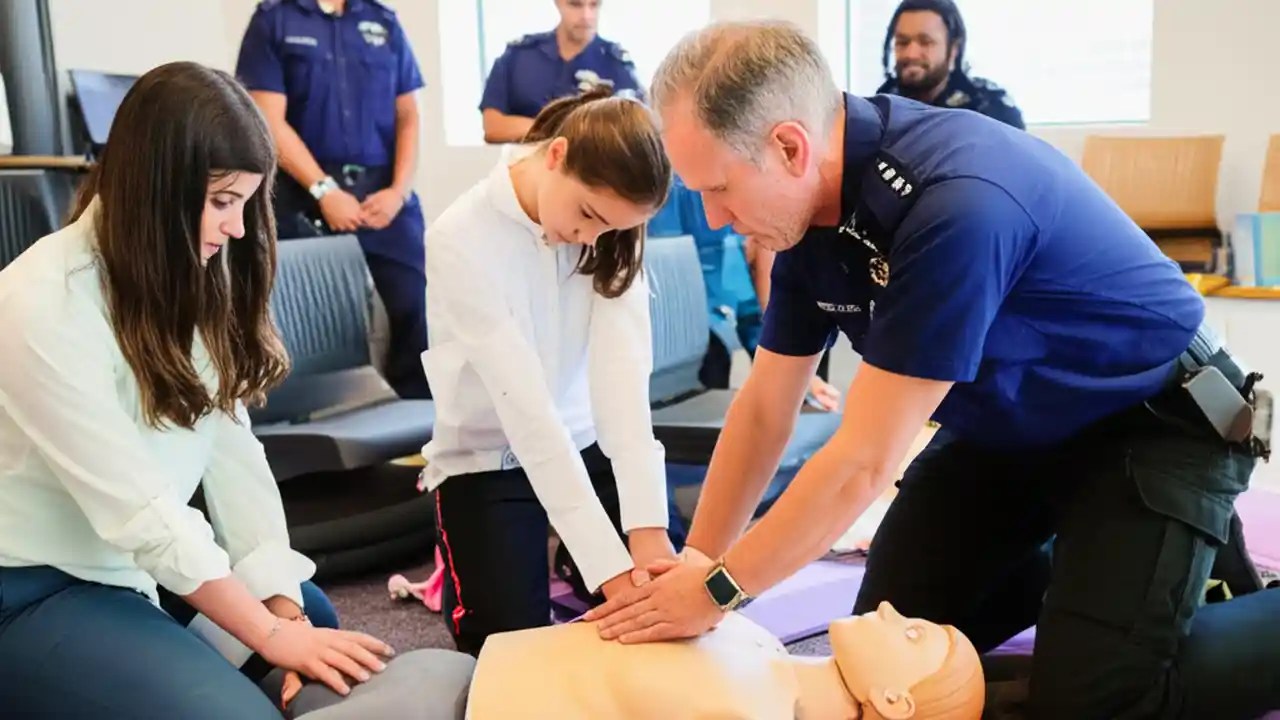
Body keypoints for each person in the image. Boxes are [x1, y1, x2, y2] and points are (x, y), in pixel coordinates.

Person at [585, 21, 1280, 720]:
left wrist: (719, 593)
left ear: (790, 147)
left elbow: (862, 462)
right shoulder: (803, 210)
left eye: (719, 189)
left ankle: (1148, 579)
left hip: (1147, 421)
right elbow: (766, 407)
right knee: (878, 659)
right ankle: (1110, 574)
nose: (714, 218)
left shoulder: (957, 201)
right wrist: (697, 563)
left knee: (1091, 703)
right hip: (1007, 432)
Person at [0, 62, 393, 718]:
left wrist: (284, 615)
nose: (237, 228)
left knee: (315, 619)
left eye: (245, 203)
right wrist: (271, 637)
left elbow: (233, 457)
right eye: (222, 201)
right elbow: (141, 511)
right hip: (36, 586)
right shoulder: (37, 304)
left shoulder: (189, 273)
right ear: (154, 188)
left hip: (141, 563)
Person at [421, 87, 676, 657]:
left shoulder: (611, 225)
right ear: (556, 155)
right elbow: (528, 414)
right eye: (587, 216)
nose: (590, 239)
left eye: (610, 229)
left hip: (589, 443)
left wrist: (647, 532)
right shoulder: (460, 237)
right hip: (490, 458)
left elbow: (623, 383)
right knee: (512, 648)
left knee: (667, 586)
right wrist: (611, 571)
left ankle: (575, 559)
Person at [236, 0, 431, 399]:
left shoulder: (383, 21)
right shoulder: (274, 19)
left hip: (382, 193)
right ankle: (297, 413)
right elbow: (268, 120)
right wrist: (324, 190)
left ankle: (416, 411)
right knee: (296, 317)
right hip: (303, 190)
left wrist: (398, 192)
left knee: (419, 306)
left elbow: (409, 115)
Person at [467, 600, 983, 719]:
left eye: (911, 635)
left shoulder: (755, 711)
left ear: (894, 700)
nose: (890, 609)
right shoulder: (768, 651)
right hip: (489, 668)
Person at [648, 177, 842, 409]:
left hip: (728, 316)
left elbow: (757, 305)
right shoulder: (681, 192)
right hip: (682, 333)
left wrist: (796, 372)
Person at [480, 0, 643, 144]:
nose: (586, 16)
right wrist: (566, 130)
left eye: (594, 5)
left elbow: (634, 132)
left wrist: (533, 129)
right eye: (575, 4)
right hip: (524, 163)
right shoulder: (518, 57)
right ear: (558, 2)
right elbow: (493, 127)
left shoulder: (617, 64)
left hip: (589, 165)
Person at [875, 0, 1025, 130]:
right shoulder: (882, 108)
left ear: (954, 50)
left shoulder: (990, 109)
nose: (911, 54)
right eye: (902, 42)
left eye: (925, 42)